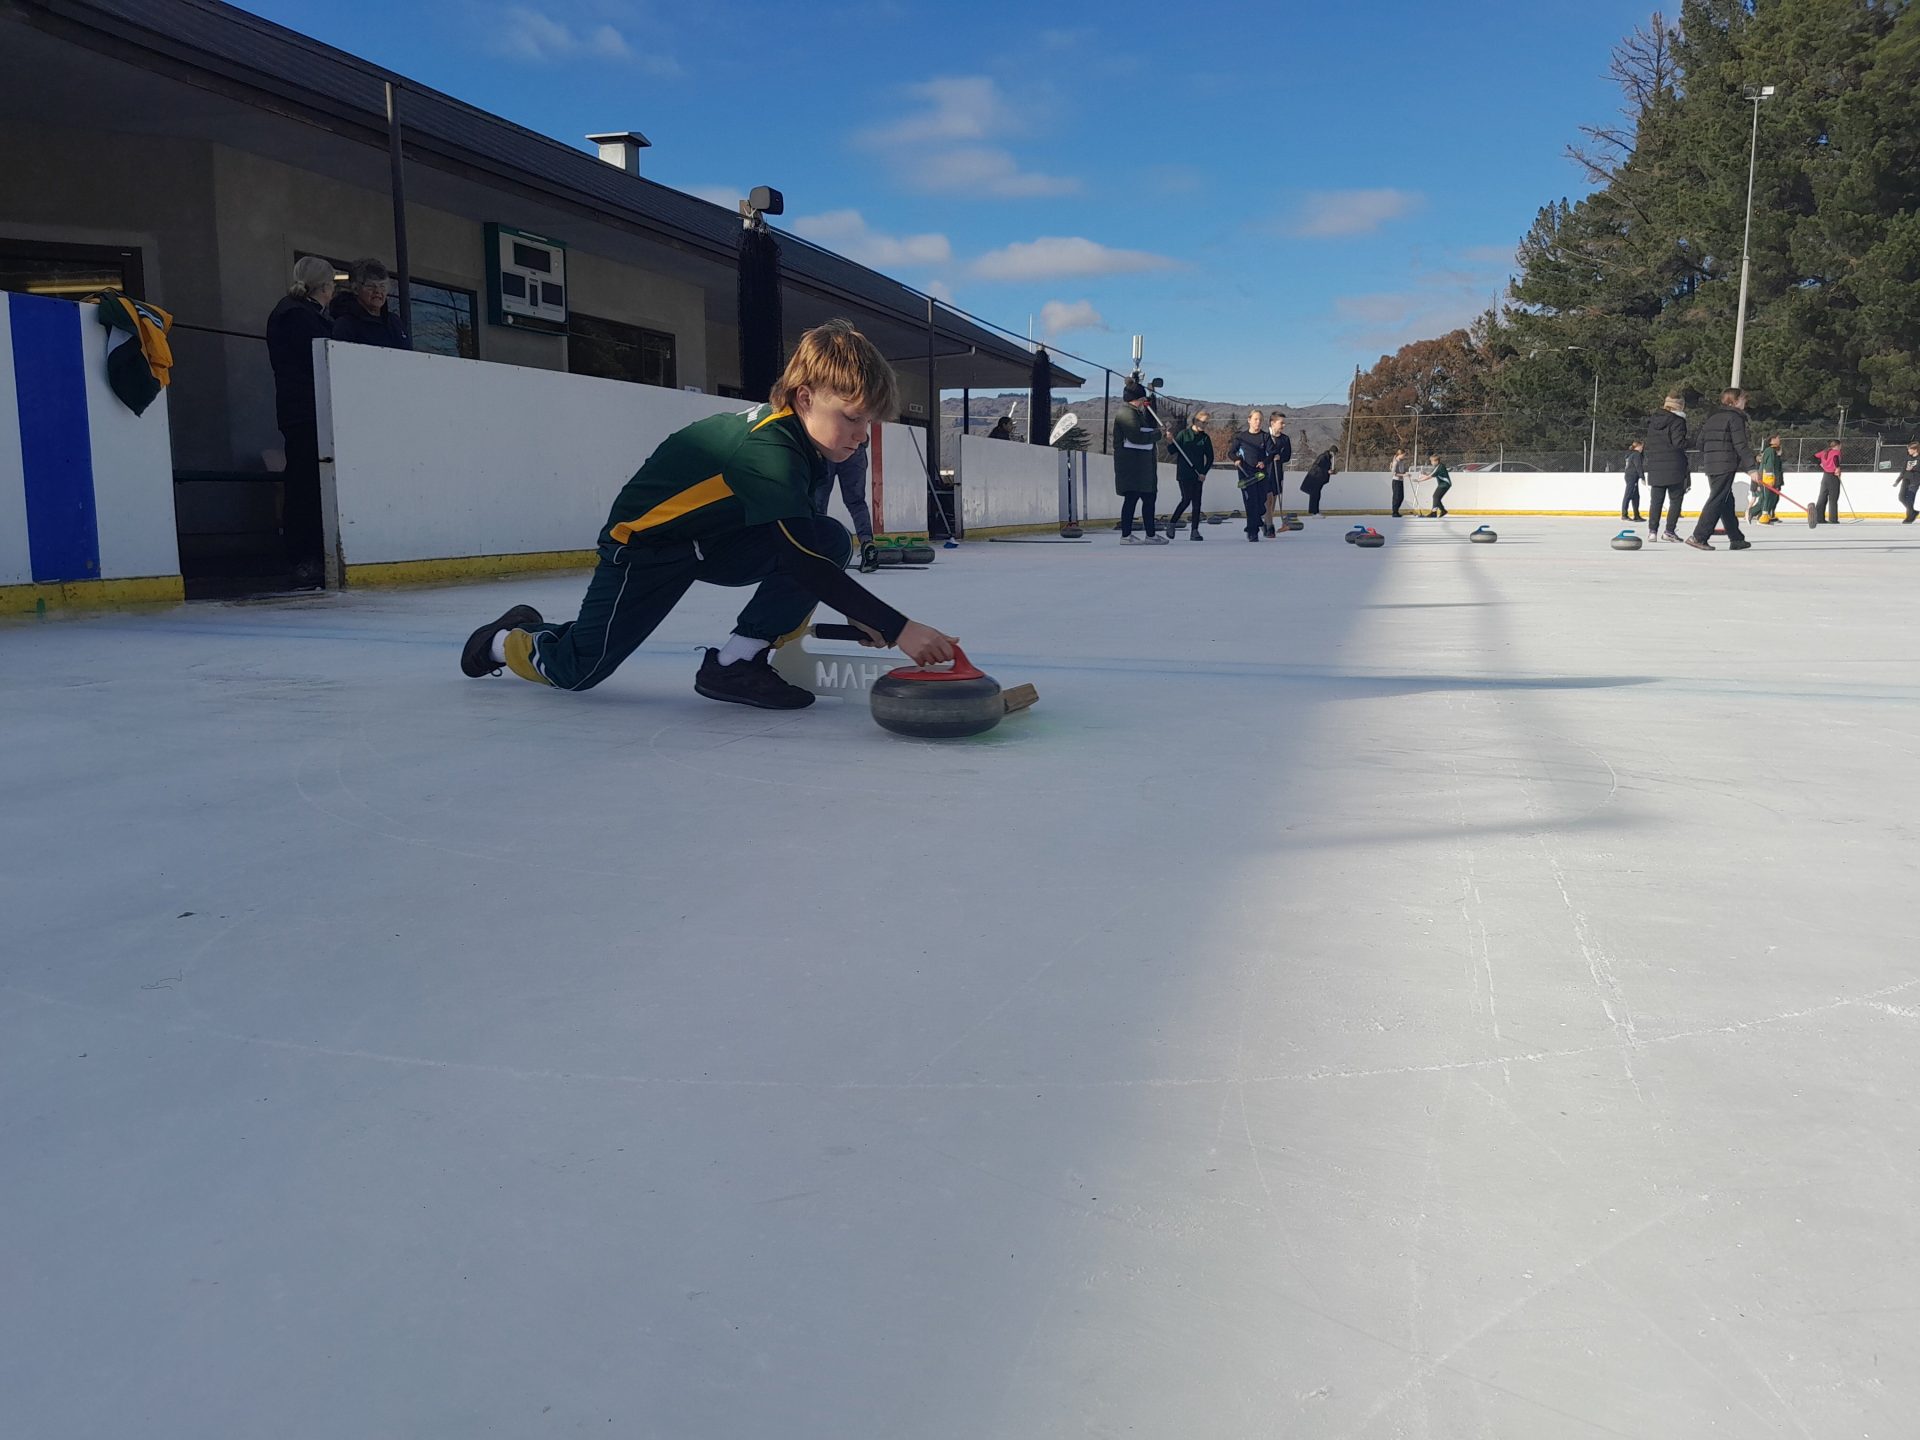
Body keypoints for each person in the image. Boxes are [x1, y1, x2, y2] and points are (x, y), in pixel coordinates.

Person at [459, 319, 956, 707]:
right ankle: (504, 641)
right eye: (851, 418)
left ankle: (735, 663)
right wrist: (897, 627)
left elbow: (807, 546)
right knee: (580, 670)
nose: (862, 435)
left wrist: (861, 613)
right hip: (646, 548)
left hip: (718, 543)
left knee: (827, 537)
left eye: (867, 421)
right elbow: (800, 561)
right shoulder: (769, 450)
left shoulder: (812, 450)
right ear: (805, 398)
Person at [265, 255, 337, 587]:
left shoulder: (293, 313)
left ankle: (307, 554)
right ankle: (304, 556)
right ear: (325, 287)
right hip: (307, 411)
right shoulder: (300, 318)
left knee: (306, 482)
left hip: (301, 411)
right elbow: (317, 365)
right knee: (307, 484)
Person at [1686, 388, 1757, 552]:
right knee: (1718, 499)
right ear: (1735, 401)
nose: (1745, 403)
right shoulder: (1735, 417)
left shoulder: (1712, 417)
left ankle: (1736, 538)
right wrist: (1752, 468)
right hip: (1725, 465)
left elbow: (1700, 443)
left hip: (1711, 464)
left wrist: (1712, 457)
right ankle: (1699, 536)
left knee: (1726, 500)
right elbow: (1740, 445)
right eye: (1743, 400)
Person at [1112, 378, 1166, 543]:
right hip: (1132, 466)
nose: (1145, 403)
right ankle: (1126, 535)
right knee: (1132, 498)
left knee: (1149, 498)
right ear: (1137, 399)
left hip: (1142, 466)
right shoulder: (1126, 414)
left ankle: (1150, 534)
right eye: (1143, 399)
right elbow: (1135, 436)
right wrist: (1157, 434)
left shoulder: (1136, 414)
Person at [812, 438, 877, 571]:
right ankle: (867, 543)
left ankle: (816, 550)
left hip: (827, 447)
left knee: (818, 504)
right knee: (856, 502)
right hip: (855, 449)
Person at [329, 258, 412, 349]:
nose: (378, 291)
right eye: (371, 286)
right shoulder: (345, 324)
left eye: (382, 286)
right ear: (356, 289)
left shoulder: (394, 322)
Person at [1643, 394, 1691, 541]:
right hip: (1674, 465)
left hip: (1655, 465)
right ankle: (1669, 530)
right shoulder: (1678, 421)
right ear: (1680, 406)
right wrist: (1693, 442)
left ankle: (1652, 531)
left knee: (1656, 500)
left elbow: (1649, 443)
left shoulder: (1652, 421)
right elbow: (1678, 443)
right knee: (1676, 499)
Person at [1166, 409, 1215, 540]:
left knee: (1197, 503)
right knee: (1186, 499)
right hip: (1184, 474)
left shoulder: (1205, 438)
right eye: (1202, 422)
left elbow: (1210, 458)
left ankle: (1194, 531)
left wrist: (1204, 473)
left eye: (1206, 423)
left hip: (1198, 475)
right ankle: (1172, 523)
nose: (1204, 425)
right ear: (1196, 420)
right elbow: (1172, 451)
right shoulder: (1184, 434)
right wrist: (1170, 440)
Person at [1229, 410, 1271, 541]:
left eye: (1260, 420)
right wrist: (1236, 459)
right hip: (1245, 474)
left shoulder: (1265, 437)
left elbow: (1271, 452)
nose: (1258, 422)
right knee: (1251, 502)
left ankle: (1257, 520)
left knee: (1261, 503)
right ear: (1249, 420)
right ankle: (1252, 532)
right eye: (1255, 419)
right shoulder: (1241, 437)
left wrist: (1264, 462)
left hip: (1260, 474)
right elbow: (1231, 452)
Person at [1264, 413, 1294, 535]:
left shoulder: (1285, 439)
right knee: (1268, 499)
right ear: (1272, 423)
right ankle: (1269, 525)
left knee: (1274, 499)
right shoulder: (1264, 437)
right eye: (1281, 423)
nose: (1283, 425)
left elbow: (1287, 456)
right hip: (1265, 472)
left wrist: (1279, 457)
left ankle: (1267, 522)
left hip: (1277, 472)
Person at [1751, 433, 1785, 523]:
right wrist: (1768, 479)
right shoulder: (1769, 451)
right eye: (1778, 438)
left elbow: (1777, 468)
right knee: (1765, 499)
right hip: (1767, 479)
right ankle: (1754, 513)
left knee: (1773, 498)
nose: (1779, 440)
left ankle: (1766, 514)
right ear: (1772, 440)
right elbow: (1768, 467)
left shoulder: (1774, 453)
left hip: (1774, 479)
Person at [1810, 443, 1843, 527]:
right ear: (1837, 446)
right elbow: (1835, 459)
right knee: (1833, 498)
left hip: (1825, 475)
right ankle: (1833, 519)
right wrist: (1837, 468)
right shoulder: (1836, 452)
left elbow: (1813, 457)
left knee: (1822, 496)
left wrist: (1821, 464)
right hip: (1833, 475)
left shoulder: (1824, 452)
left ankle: (1819, 518)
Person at [1299, 445, 1338, 516]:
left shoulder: (1327, 459)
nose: (1334, 455)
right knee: (1314, 495)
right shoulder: (1323, 457)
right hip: (1315, 478)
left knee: (1317, 495)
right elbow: (1316, 466)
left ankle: (1315, 510)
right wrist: (1327, 471)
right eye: (1334, 453)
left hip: (1319, 479)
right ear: (1331, 452)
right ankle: (1313, 511)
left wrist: (1331, 472)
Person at [1622, 439, 1646, 523]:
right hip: (1632, 476)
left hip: (1630, 476)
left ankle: (1636, 515)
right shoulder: (1636, 455)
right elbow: (1638, 466)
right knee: (1628, 494)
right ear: (1638, 446)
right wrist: (1642, 477)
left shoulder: (1630, 454)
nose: (1642, 449)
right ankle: (1624, 514)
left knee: (1636, 496)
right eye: (1641, 447)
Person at [1897, 440, 1920, 524]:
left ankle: (1910, 517)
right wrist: (1898, 480)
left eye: (1910, 449)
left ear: (1915, 449)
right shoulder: (1908, 458)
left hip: (1915, 481)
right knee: (1901, 497)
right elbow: (1903, 470)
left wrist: (1913, 469)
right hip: (1906, 479)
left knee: (1910, 499)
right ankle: (1913, 512)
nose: (1908, 451)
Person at [1390, 449, 1410, 517]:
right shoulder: (1396, 462)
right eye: (1403, 455)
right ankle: (1394, 512)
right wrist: (1403, 475)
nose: (1404, 457)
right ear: (1400, 454)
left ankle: (1396, 510)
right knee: (1396, 497)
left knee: (1401, 497)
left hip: (1401, 481)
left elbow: (1402, 471)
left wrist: (1405, 474)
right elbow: (1394, 473)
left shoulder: (1402, 462)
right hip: (1396, 481)